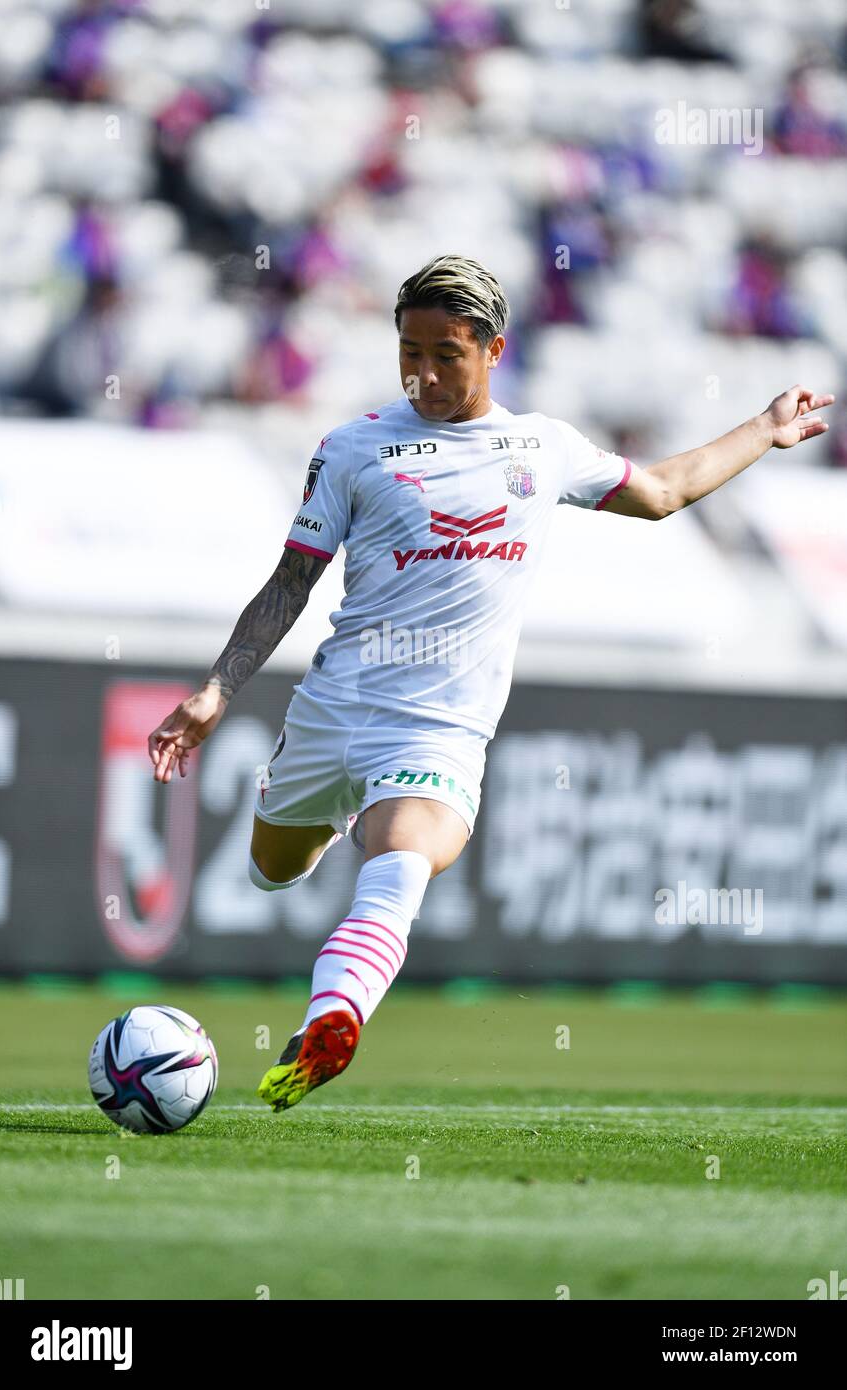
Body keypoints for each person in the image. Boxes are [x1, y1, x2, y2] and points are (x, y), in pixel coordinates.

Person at [146, 253, 834, 1111]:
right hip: (334, 708)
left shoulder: (539, 448)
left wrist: (762, 431)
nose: (424, 373)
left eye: (446, 354)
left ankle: (334, 1017)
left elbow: (660, 492)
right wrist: (216, 690)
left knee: (402, 853)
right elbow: (292, 581)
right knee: (271, 869)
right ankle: (333, 833)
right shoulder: (355, 448)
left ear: (493, 350)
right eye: (409, 351)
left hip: (437, 728)